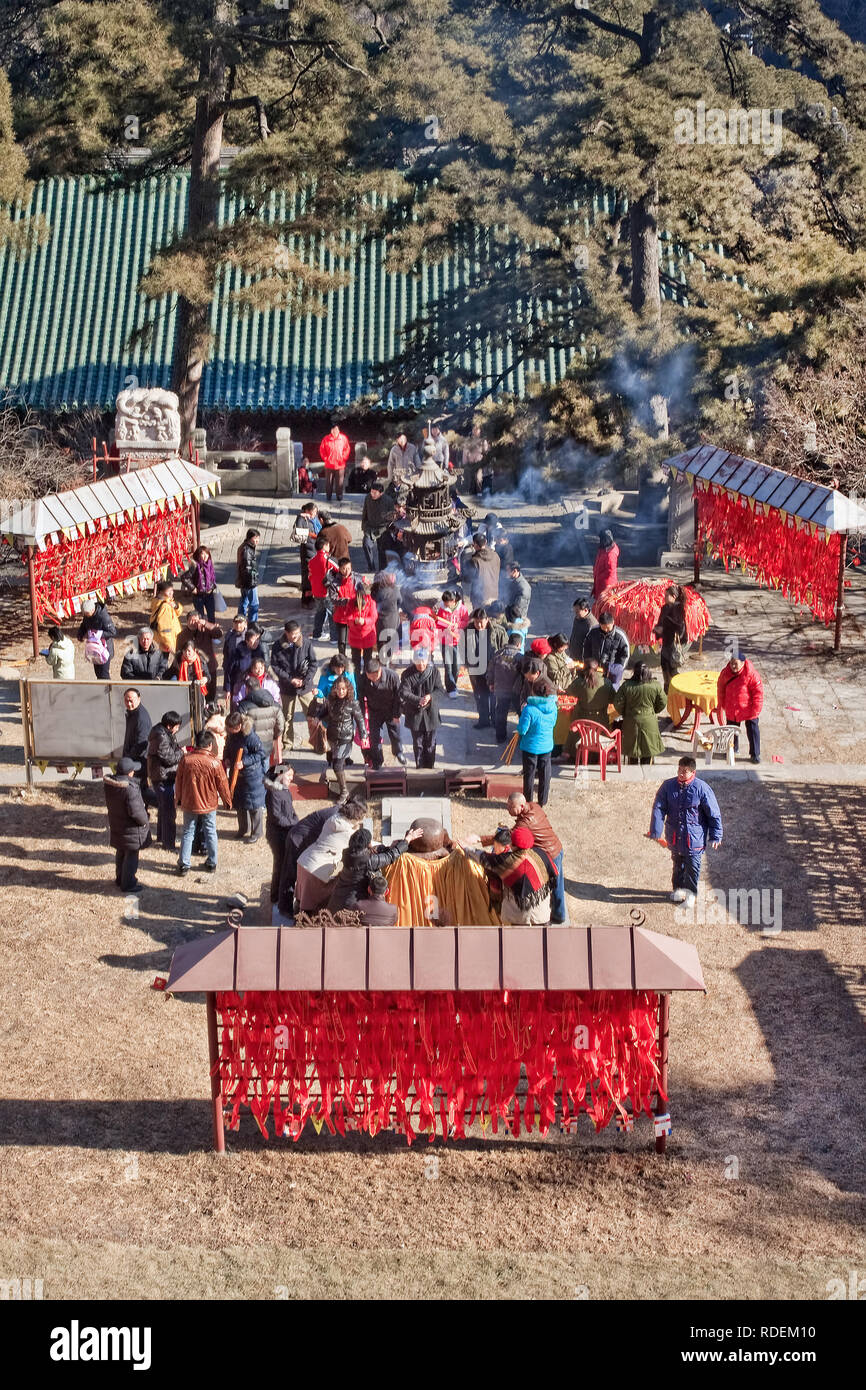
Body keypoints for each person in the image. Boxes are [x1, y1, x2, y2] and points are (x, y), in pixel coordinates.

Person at [649, 755, 723, 908]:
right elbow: (659, 808)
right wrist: (656, 831)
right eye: (679, 770)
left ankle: (691, 894)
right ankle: (678, 889)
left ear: (693, 772)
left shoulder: (702, 788)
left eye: (685, 771)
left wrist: (716, 835)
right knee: (677, 865)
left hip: (694, 839)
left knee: (692, 868)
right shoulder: (668, 786)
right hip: (675, 836)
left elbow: (713, 813)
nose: (681, 774)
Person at [487, 791, 566, 925]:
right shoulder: (535, 807)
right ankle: (558, 914)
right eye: (508, 805)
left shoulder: (525, 823)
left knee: (554, 885)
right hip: (556, 848)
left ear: (522, 807)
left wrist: (480, 839)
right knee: (557, 883)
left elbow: (507, 838)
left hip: (549, 854)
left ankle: (558, 916)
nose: (508, 809)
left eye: (511, 806)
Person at [277, 800, 366, 919]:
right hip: (305, 852)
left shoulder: (335, 818)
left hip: (305, 860)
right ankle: (298, 920)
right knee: (310, 900)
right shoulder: (347, 833)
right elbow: (360, 842)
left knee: (301, 896)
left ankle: (294, 912)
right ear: (356, 815)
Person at [467, 826, 557, 925]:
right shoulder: (541, 854)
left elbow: (483, 857)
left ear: (513, 844)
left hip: (518, 917)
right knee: (543, 940)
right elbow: (553, 875)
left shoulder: (508, 860)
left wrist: (466, 848)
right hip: (542, 915)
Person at [175, 730, 233, 875]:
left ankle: (184, 864)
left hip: (189, 802)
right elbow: (223, 784)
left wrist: (178, 799)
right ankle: (212, 862)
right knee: (210, 832)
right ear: (209, 745)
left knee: (188, 832)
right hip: (209, 803)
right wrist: (227, 801)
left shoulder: (186, 760)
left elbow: (179, 781)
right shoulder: (215, 762)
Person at [327, 826, 418, 913]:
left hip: (337, 899)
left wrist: (388, 848)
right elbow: (389, 857)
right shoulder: (367, 861)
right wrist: (408, 839)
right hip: (351, 905)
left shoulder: (348, 853)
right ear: (367, 844)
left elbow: (374, 852)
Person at [103, 757, 150, 892]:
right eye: (133, 771)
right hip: (131, 829)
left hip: (117, 824)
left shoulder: (110, 785)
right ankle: (128, 883)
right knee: (131, 855)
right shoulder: (130, 789)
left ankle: (120, 879)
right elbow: (136, 812)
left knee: (121, 852)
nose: (134, 773)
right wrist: (145, 820)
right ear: (129, 773)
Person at [270, 621, 317, 749]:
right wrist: (290, 679)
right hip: (287, 687)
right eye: (293, 634)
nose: (295, 636)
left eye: (297, 633)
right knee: (287, 716)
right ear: (286, 633)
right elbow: (275, 666)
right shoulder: (277, 646)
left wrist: (306, 680)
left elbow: (313, 664)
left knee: (312, 715)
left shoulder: (306, 643)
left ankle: (317, 741)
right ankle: (287, 742)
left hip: (305, 686)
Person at [320, 673, 366, 803]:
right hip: (332, 735)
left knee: (337, 765)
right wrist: (317, 717)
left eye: (343, 689)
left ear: (348, 689)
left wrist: (363, 736)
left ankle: (344, 792)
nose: (341, 692)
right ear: (335, 689)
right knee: (335, 761)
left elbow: (360, 720)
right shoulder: (331, 700)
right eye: (338, 689)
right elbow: (324, 711)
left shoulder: (353, 703)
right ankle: (343, 788)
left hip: (345, 737)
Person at [223, 710, 268, 842]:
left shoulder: (251, 737)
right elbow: (227, 747)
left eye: (231, 728)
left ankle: (257, 832)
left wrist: (244, 762)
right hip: (237, 775)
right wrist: (226, 758)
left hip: (251, 776)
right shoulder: (232, 735)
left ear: (239, 726)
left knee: (254, 805)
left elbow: (260, 753)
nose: (229, 730)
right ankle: (243, 829)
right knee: (240, 804)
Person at [358, 654, 406, 768]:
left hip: (390, 710)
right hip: (374, 711)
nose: (373, 679)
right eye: (370, 676)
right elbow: (360, 697)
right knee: (374, 738)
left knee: (395, 733)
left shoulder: (392, 676)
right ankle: (378, 761)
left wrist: (397, 714)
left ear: (379, 670)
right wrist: (363, 714)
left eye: (375, 676)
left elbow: (399, 697)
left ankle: (398, 752)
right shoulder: (363, 678)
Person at [614, 661, 667, 764]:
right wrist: (653, 711)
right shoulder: (655, 685)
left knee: (632, 751)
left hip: (631, 721)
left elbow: (617, 703)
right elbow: (663, 702)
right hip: (649, 721)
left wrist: (625, 713)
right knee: (648, 752)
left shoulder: (626, 686)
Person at [400, 647, 444, 768]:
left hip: (431, 713)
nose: (421, 664)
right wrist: (418, 700)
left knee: (431, 744)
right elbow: (404, 692)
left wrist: (430, 697)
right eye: (419, 662)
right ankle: (419, 767)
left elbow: (440, 690)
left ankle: (430, 767)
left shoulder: (434, 672)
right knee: (418, 744)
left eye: (424, 661)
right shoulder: (407, 674)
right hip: (415, 713)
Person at [517, 675, 557, 807]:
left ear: (533, 691)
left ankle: (528, 801)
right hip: (546, 746)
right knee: (545, 774)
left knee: (529, 775)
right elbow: (553, 724)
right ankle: (543, 801)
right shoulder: (553, 707)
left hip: (530, 747)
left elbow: (522, 730)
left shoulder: (529, 709)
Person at [464, 607, 506, 729]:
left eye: (481, 621)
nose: (479, 625)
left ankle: (494, 719)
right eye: (476, 622)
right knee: (479, 696)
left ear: (487, 620)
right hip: (476, 670)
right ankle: (483, 720)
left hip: (493, 670)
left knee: (493, 696)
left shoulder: (498, 631)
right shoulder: (468, 631)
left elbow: (504, 649)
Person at [716, 653, 764, 763]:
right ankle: (732, 749)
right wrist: (722, 703)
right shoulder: (725, 673)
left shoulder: (751, 675)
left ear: (743, 663)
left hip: (749, 708)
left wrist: (756, 710)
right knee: (731, 731)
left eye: (736, 664)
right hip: (732, 707)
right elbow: (721, 688)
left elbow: (758, 693)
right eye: (732, 663)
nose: (733, 666)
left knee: (752, 731)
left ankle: (755, 754)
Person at [147, 709, 183, 851]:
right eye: (177, 726)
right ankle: (169, 844)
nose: (178, 729)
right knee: (168, 811)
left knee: (164, 808)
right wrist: (181, 752)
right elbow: (169, 758)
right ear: (169, 726)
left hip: (161, 775)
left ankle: (162, 837)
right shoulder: (161, 737)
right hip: (163, 776)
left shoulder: (162, 733)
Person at [264, 764, 297, 908]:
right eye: (289, 775)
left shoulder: (284, 790)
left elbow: (290, 811)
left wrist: (297, 822)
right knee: (280, 864)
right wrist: (292, 824)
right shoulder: (273, 793)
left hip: (286, 830)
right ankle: (275, 895)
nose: (291, 778)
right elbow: (276, 816)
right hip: (277, 834)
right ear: (279, 775)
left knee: (285, 863)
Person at [238, 675, 285, 761]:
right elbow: (281, 725)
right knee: (266, 769)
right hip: (268, 743)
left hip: (250, 746)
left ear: (247, 689)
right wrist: (274, 736)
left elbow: (239, 727)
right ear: (260, 686)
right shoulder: (274, 704)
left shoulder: (244, 706)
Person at [176, 612, 222, 698]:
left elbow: (219, 633)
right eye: (191, 620)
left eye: (196, 620)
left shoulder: (205, 630)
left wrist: (206, 623)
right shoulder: (181, 636)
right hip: (191, 671)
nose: (193, 623)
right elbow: (178, 654)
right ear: (187, 621)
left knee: (211, 695)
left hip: (209, 666)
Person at [489, 633, 524, 742]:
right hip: (516, 691)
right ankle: (522, 737)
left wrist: (491, 683)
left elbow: (490, 671)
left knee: (501, 714)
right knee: (521, 713)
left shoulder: (498, 654)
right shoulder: (520, 657)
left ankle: (500, 737)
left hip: (501, 690)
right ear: (519, 644)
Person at [582, 610, 629, 690]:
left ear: (613, 622)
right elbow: (586, 648)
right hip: (595, 668)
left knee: (611, 691)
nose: (606, 630)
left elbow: (625, 655)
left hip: (611, 670)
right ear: (600, 624)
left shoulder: (620, 635)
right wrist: (587, 664)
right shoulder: (593, 631)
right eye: (604, 627)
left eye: (608, 627)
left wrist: (618, 669)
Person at [655, 584, 689, 694]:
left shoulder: (678, 608)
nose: (664, 598)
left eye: (666, 595)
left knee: (673, 667)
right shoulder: (664, 608)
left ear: (674, 596)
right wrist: (657, 629)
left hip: (673, 643)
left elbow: (680, 627)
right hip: (666, 641)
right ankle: (667, 688)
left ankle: (680, 687)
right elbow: (660, 622)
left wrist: (665, 626)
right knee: (664, 665)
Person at [435, 590, 469, 696]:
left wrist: (457, 625)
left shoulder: (462, 609)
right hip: (446, 641)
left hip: (458, 641)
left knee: (457, 666)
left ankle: (453, 684)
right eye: (444, 603)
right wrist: (446, 627)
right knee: (448, 665)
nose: (445, 605)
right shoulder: (442, 609)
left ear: (453, 601)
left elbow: (466, 622)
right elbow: (438, 622)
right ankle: (451, 689)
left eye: (447, 603)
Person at [122, 688, 152, 799]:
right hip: (133, 758)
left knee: (138, 790)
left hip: (138, 760)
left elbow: (141, 743)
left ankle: (148, 809)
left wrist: (129, 761)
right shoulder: (132, 713)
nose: (129, 704)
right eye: (126, 700)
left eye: (131, 700)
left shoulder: (141, 718)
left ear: (139, 699)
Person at [360, 481, 395, 574]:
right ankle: (371, 567)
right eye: (371, 492)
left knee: (382, 549)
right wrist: (364, 527)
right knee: (366, 544)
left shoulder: (388, 501)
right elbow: (365, 513)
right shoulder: (368, 498)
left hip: (383, 528)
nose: (372, 494)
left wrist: (388, 529)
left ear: (381, 493)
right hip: (370, 527)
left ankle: (382, 570)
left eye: (375, 493)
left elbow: (392, 517)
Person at [77, 598, 116, 679]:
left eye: (87, 613)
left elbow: (112, 632)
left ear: (92, 610)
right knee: (98, 674)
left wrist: (98, 634)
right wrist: (80, 634)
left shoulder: (103, 617)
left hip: (104, 649)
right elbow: (84, 625)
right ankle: (100, 689)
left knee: (104, 675)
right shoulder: (87, 616)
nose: (85, 615)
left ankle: (107, 690)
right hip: (94, 649)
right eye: (84, 613)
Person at [310, 535, 339, 641]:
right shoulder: (327, 560)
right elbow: (339, 569)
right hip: (327, 592)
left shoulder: (312, 560)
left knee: (319, 613)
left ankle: (317, 634)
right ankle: (334, 638)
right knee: (332, 615)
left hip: (316, 592)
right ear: (324, 546)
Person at [329, 555, 358, 658]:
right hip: (341, 616)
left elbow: (362, 593)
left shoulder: (355, 579)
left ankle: (356, 655)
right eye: (344, 568)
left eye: (349, 568)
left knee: (356, 638)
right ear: (340, 569)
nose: (346, 571)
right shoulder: (334, 583)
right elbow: (334, 599)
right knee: (342, 640)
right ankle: (342, 658)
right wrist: (347, 601)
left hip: (354, 615)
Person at [461, 533, 500, 609]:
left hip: (480, 598)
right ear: (485, 542)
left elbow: (467, 579)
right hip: (494, 595)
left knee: (480, 619)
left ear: (475, 544)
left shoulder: (474, 561)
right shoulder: (496, 556)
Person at [226, 624, 265, 699]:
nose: (255, 643)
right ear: (246, 641)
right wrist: (228, 689)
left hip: (256, 687)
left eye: (257, 640)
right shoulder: (237, 652)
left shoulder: (260, 652)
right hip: (239, 686)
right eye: (253, 641)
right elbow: (228, 671)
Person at [372, 570, 403, 662]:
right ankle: (389, 658)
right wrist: (395, 610)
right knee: (391, 639)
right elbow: (400, 601)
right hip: (393, 619)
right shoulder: (395, 589)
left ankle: (382, 658)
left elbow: (373, 604)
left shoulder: (375, 591)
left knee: (380, 640)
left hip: (380, 620)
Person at [295, 501, 321, 607]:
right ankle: (306, 598)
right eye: (312, 512)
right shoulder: (302, 519)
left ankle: (312, 596)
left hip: (316, 551)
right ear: (307, 511)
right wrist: (313, 536)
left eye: (315, 512)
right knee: (307, 576)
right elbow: (299, 531)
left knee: (314, 576)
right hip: (307, 551)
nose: (314, 515)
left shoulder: (316, 520)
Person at [183, 545, 218, 623]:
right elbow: (184, 578)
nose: (205, 556)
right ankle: (201, 633)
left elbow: (212, 579)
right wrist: (192, 588)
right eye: (202, 554)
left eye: (207, 553)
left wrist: (212, 587)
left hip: (209, 594)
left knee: (211, 615)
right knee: (200, 616)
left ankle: (211, 632)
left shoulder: (210, 564)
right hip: (198, 595)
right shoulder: (195, 565)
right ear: (198, 555)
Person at [149, 580, 183, 655]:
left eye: (172, 590)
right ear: (161, 592)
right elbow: (164, 629)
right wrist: (169, 645)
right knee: (162, 664)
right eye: (169, 591)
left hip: (159, 639)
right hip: (164, 642)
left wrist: (176, 606)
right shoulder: (165, 607)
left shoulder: (160, 601)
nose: (172, 593)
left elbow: (178, 612)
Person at [319, 422, 351, 501]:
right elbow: (322, 450)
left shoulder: (343, 438)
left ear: (339, 430)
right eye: (333, 429)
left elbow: (347, 449)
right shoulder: (326, 439)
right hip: (329, 464)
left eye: (336, 429)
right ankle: (328, 496)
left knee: (339, 482)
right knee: (328, 482)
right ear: (331, 430)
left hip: (340, 465)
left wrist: (343, 458)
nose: (334, 431)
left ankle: (339, 496)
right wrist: (326, 458)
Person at [235, 528, 260, 623]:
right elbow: (247, 568)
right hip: (249, 582)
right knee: (254, 604)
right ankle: (253, 623)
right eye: (255, 538)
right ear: (250, 538)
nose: (257, 540)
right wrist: (252, 581)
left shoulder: (244, 547)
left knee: (244, 602)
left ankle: (240, 620)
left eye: (258, 538)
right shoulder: (247, 550)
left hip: (243, 581)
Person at [222, 614, 248, 694]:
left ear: (245, 623)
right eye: (236, 623)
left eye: (240, 622)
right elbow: (225, 653)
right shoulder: (229, 636)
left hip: (246, 671)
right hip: (233, 672)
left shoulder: (249, 636)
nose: (238, 625)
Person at [592, 528, 619, 599]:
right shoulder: (604, 548)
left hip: (606, 586)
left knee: (604, 606)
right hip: (600, 583)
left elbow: (610, 571)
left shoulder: (611, 554)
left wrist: (599, 575)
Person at [568, 596, 597, 663]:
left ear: (586, 610)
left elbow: (594, 646)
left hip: (583, 660)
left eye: (577, 612)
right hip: (573, 656)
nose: (575, 615)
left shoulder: (592, 625)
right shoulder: (578, 618)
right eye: (575, 612)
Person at [462, 423, 488, 494]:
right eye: (474, 429)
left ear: (479, 430)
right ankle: (472, 496)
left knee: (478, 479)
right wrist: (464, 463)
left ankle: (479, 494)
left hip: (479, 463)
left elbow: (485, 452)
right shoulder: (468, 441)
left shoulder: (482, 441)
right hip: (470, 463)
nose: (475, 431)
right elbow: (465, 452)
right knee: (471, 480)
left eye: (477, 429)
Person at [380, 502, 409, 566]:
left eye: (401, 507)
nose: (399, 509)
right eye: (397, 507)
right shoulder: (394, 514)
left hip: (403, 544)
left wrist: (401, 532)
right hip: (392, 542)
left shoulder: (407, 516)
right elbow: (384, 518)